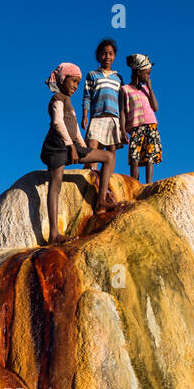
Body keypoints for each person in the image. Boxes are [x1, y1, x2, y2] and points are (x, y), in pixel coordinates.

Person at [40, 63, 116, 243]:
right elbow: (58, 123)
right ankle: (54, 234)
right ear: (62, 79)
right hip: (57, 146)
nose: (75, 86)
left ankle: (101, 201)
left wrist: (84, 149)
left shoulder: (69, 103)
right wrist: (72, 147)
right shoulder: (57, 99)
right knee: (55, 185)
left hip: (71, 145)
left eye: (78, 83)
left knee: (108, 157)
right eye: (73, 81)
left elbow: (75, 132)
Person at [81, 39, 125, 187]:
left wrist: (123, 126)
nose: (107, 57)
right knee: (92, 147)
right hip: (97, 116)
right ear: (98, 56)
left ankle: (107, 181)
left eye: (111, 54)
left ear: (115, 56)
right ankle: (92, 177)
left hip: (114, 117)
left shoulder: (118, 78)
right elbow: (87, 96)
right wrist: (85, 115)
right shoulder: (92, 75)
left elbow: (122, 102)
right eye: (104, 53)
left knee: (111, 149)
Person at [119, 54, 161, 184]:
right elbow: (122, 112)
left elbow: (155, 107)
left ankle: (148, 184)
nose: (148, 76)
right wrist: (122, 130)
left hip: (150, 124)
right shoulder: (124, 90)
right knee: (134, 158)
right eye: (146, 73)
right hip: (135, 126)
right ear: (138, 72)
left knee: (149, 157)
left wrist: (150, 88)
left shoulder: (145, 89)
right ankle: (135, 184)